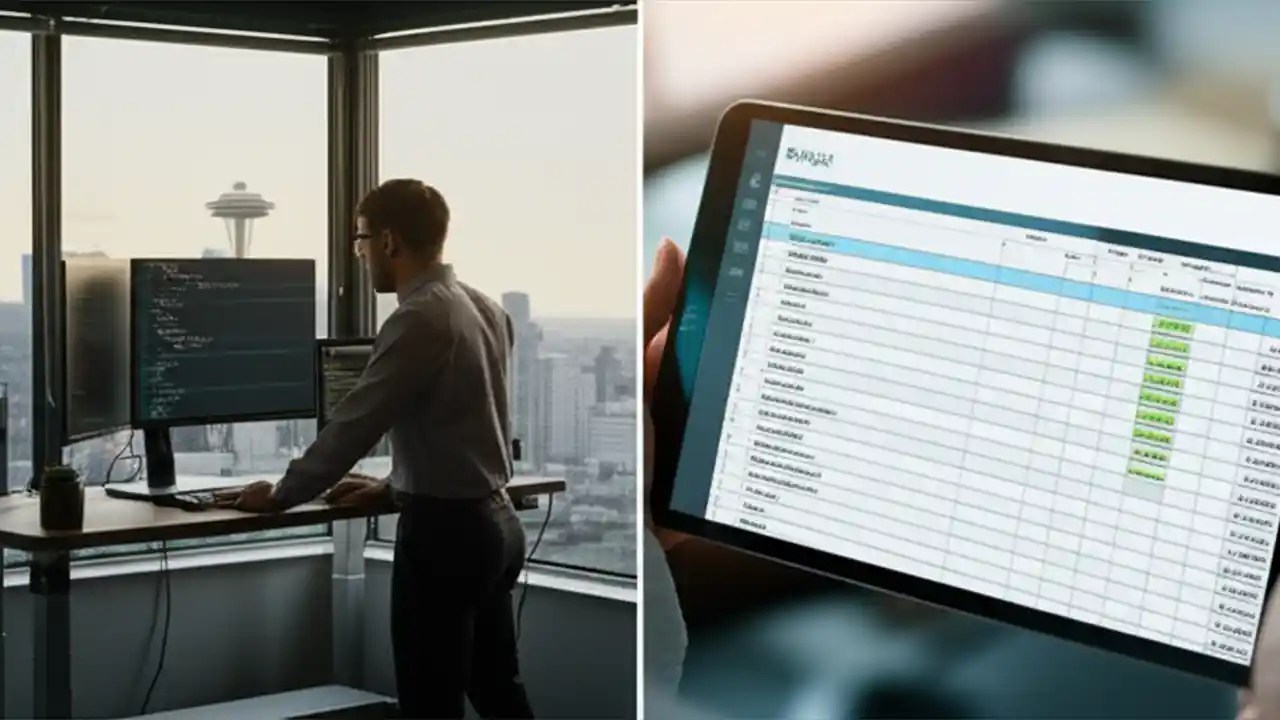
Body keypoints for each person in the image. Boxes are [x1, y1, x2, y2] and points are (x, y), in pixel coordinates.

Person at [214, 178, 534, 720]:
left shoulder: (419, 317)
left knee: (430, 705)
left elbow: (356, 423)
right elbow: (472, 425)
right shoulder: (481, 306)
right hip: (496, 528)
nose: (359, 255)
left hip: (445, 536)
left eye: (360, 240)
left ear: (389, 241)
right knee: (498, 690)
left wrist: (282, 495)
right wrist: (391, 484)